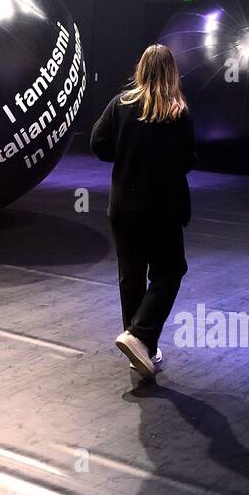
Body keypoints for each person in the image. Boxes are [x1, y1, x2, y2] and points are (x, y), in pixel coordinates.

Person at [91, 44, 196, 380]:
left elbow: (97, 143)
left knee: (131, 275)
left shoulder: (119, 105)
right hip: (163, 208)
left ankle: (139, 345)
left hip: (124, 207)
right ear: (171, 72)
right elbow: (188, 160)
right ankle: (140, 337)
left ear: (141, 69)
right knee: (170, 270)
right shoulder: (177, 112)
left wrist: (125, 155)